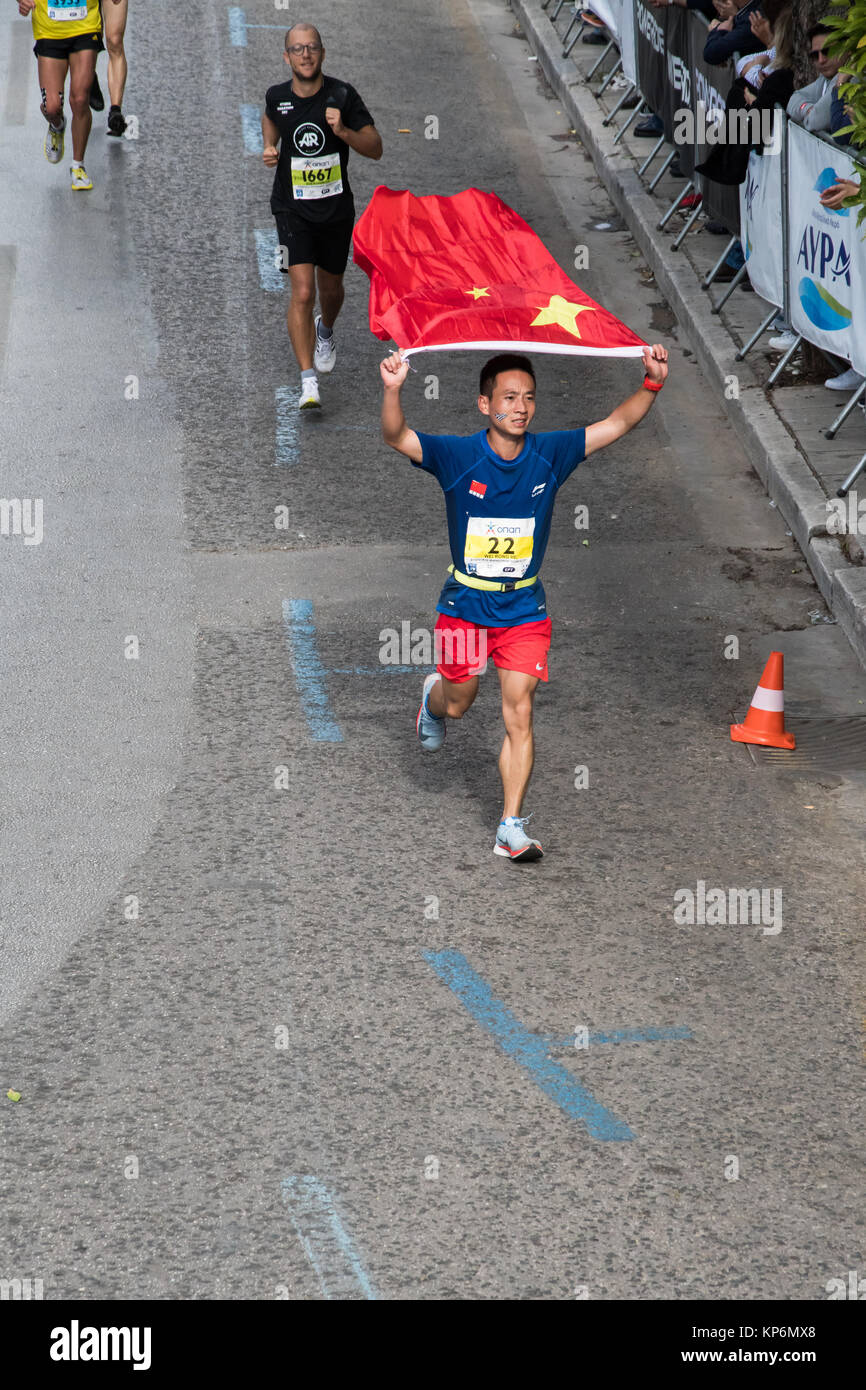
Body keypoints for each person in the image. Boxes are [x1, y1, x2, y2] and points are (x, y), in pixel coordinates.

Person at [380, 344, 669, 862]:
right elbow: (396, 435)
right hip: (464, 606)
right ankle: (433, 700)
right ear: (484, 405)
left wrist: (650, 383)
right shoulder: (458, 456)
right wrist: (394, 388)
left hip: (524, 611)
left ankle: (509, 826)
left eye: (528, 398)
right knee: (461, 702)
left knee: (520, 710)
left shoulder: (550, 453)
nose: (520, 407)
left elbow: (615, 425)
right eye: (508, 397)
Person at [262, 23, 382, 411]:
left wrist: (343, 131)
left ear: (322, 53)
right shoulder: (277, 97)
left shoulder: (342, 95)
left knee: (331, 291)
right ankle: (308, 381)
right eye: (297, 49)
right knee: (302, 292)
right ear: (287, 57)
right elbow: (270, 117)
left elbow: (376, 147)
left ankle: (325, 330)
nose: (306, 54)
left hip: (334, 211)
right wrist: (269, 145)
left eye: (312, 47)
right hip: (291, 208)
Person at [18, 0, 103, 191]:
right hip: (49, 29)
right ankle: (57, 125)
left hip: (85, 24)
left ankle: (78, 166)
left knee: (80, 99)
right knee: (52, 107)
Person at [786, 23, 843, 133]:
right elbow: (794, 100)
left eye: (827, 51)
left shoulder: (851, 77)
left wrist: (812, 113)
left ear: (847, 49)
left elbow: (816, 121)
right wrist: (807, 109)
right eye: (815, 55)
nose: (821, 60)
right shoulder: (824, 79)